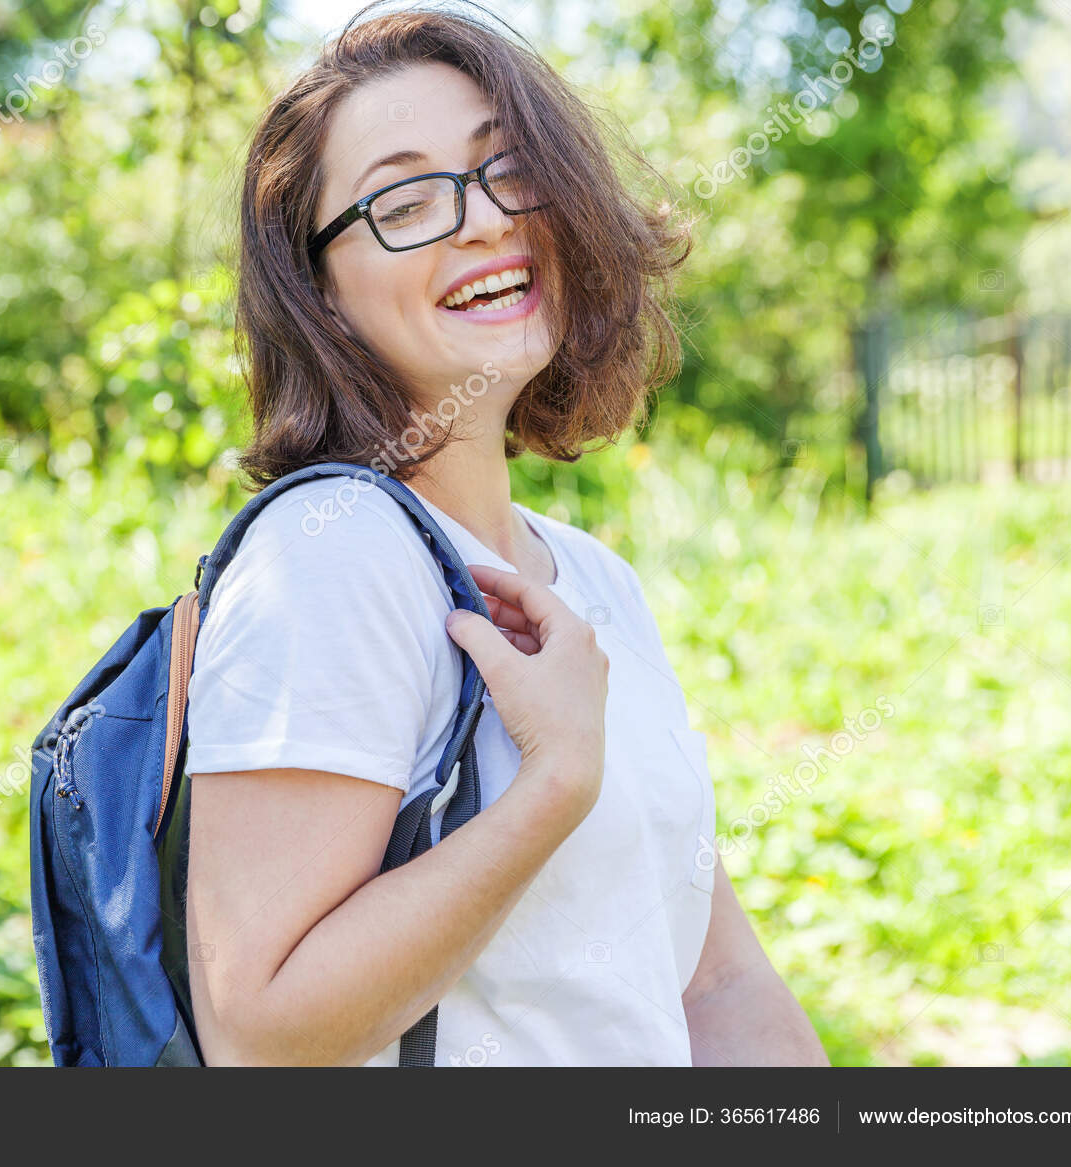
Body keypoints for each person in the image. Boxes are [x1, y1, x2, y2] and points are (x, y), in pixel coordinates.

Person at [180, 1, 828, 1068]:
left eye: (509, 170)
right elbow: (259, 1032)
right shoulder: (332, 554)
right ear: (321, 294)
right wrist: (554, 783)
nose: (481, 220)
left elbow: (711, 983)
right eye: (401, 199)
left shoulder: (593, 578)